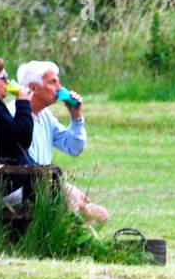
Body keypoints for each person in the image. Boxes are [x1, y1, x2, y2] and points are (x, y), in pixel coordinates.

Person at [16, 59, 109, 224]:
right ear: (33, 88)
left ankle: (77, 235)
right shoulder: (15, 114)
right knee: (84, 204)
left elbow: (74, 148)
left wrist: (76, 117)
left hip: (43, 183)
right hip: (25, 187)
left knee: (90, 208)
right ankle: (72, 238)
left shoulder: (45, 117)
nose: (59, 88)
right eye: (52, 82)